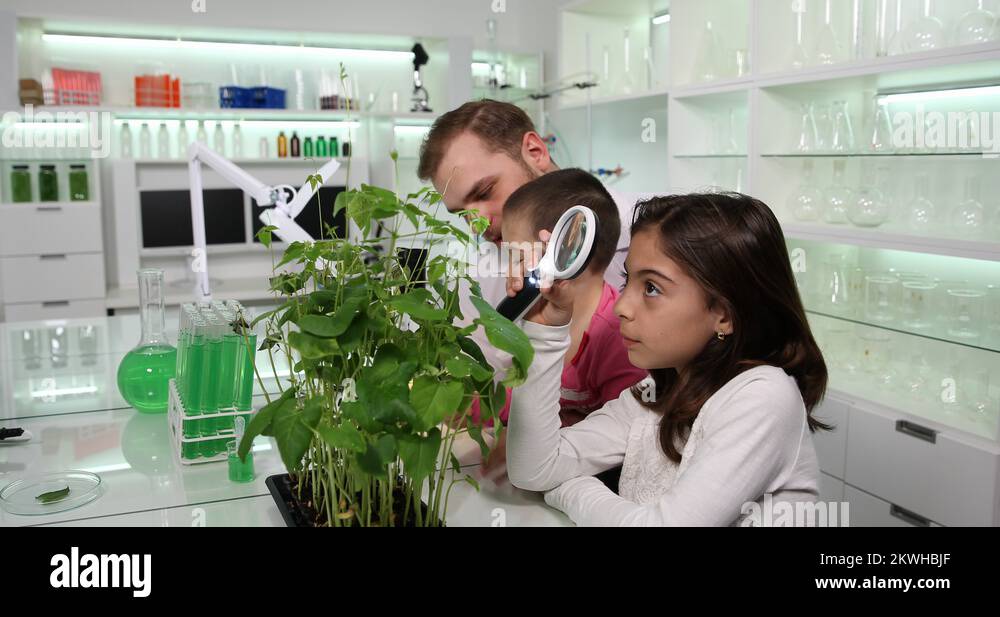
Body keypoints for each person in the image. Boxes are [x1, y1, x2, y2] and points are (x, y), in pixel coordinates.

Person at [505, 192, 831, 526]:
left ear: (723, 314)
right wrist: (547, 326)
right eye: (627, 279)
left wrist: (571, 489)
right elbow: (534, 468)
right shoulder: (657, 391)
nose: (621, 307)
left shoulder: (764, 396)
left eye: (651, 288)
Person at [470, 169, 649, 484]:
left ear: (565, 253)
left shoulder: (616, 337)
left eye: (514, 253)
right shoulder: (537, 320)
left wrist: (534, 440)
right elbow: (516, 400)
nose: (507, 265)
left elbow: (619, 438)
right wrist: (467, 407)